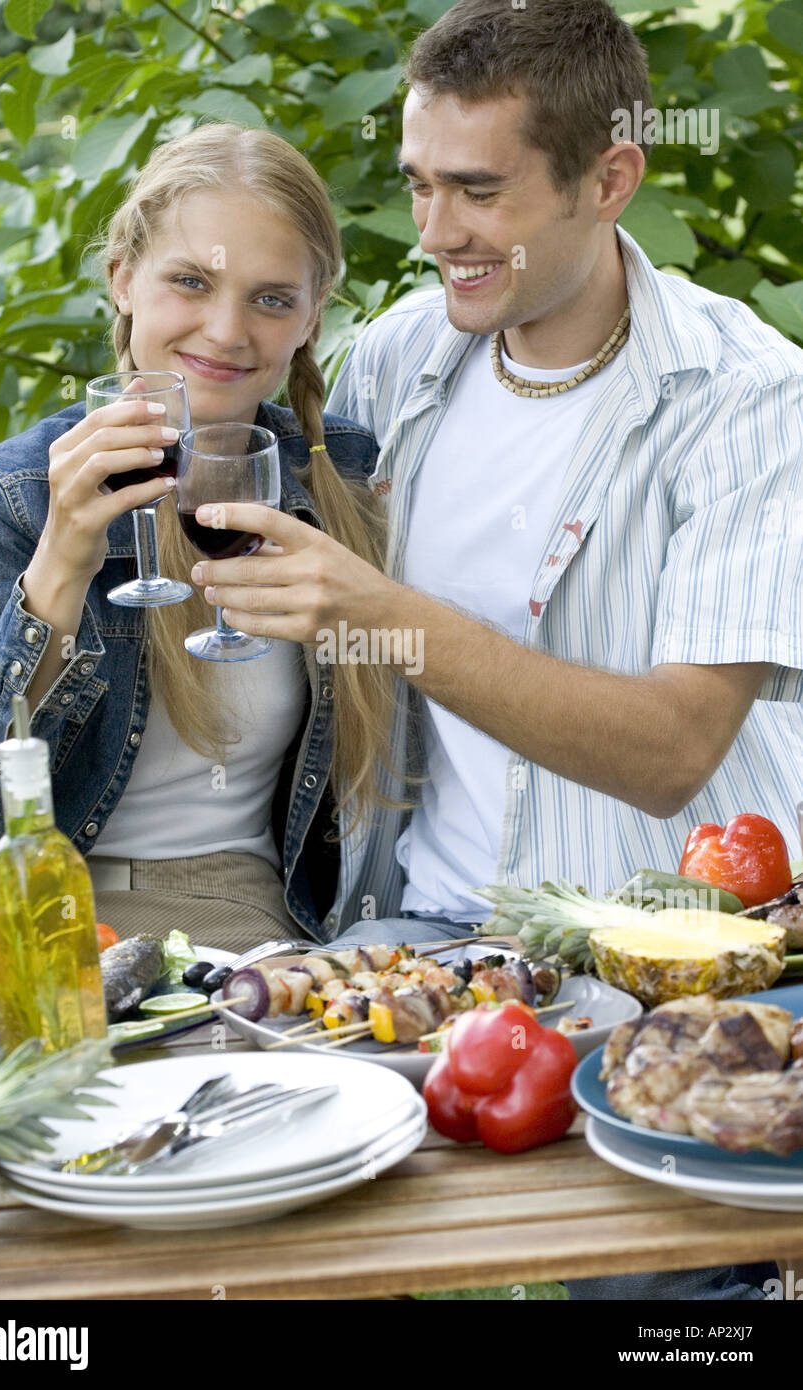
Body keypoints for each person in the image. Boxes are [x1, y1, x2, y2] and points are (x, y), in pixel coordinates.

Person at [183, 0, 802, 1297]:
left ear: (607, 177)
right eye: (416, 185)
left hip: (661, 973)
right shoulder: (399, 362)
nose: (432, 233)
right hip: (433, 935)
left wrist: (378, 611)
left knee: (657, 1310)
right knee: (248, 1226)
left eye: (476, 190)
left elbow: (672, 749)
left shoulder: (749, 400)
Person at [0, 121, 399, 956]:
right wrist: (60, 566)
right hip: (54, 928)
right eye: (190, 281)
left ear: (310, 319)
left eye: (271, 298)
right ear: (123, 280)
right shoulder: (11, 499)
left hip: (256, 919)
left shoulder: (342, 478)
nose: (226, 332)